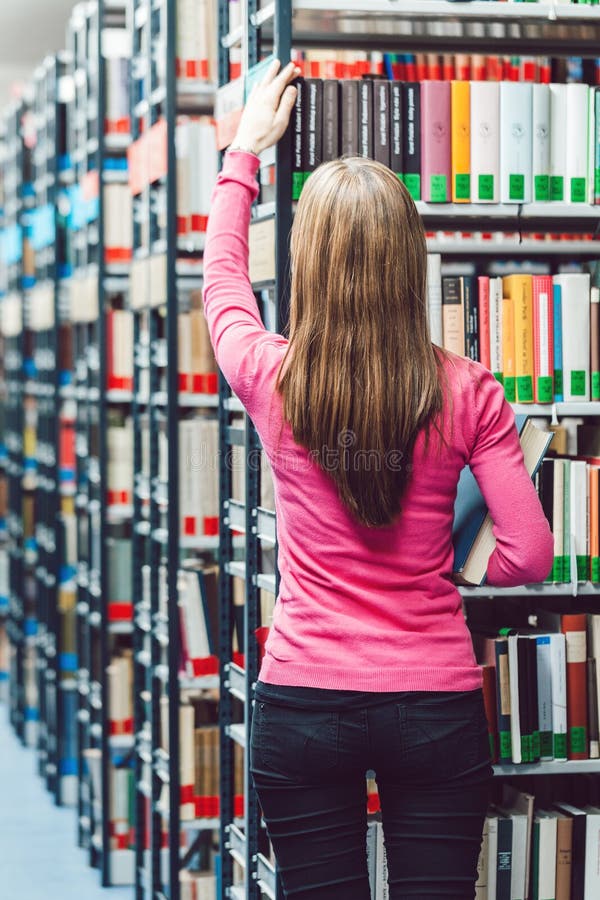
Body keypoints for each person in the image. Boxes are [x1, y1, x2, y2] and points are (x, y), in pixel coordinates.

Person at [202, 60, 554, 899]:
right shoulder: (469, 391)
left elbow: (222, 286)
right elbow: (531, 555)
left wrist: (243, 154)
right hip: (432, 702)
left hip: (303, 698)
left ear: (307, 263)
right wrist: (449, 569)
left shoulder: (269, 376)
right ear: (410, 262)